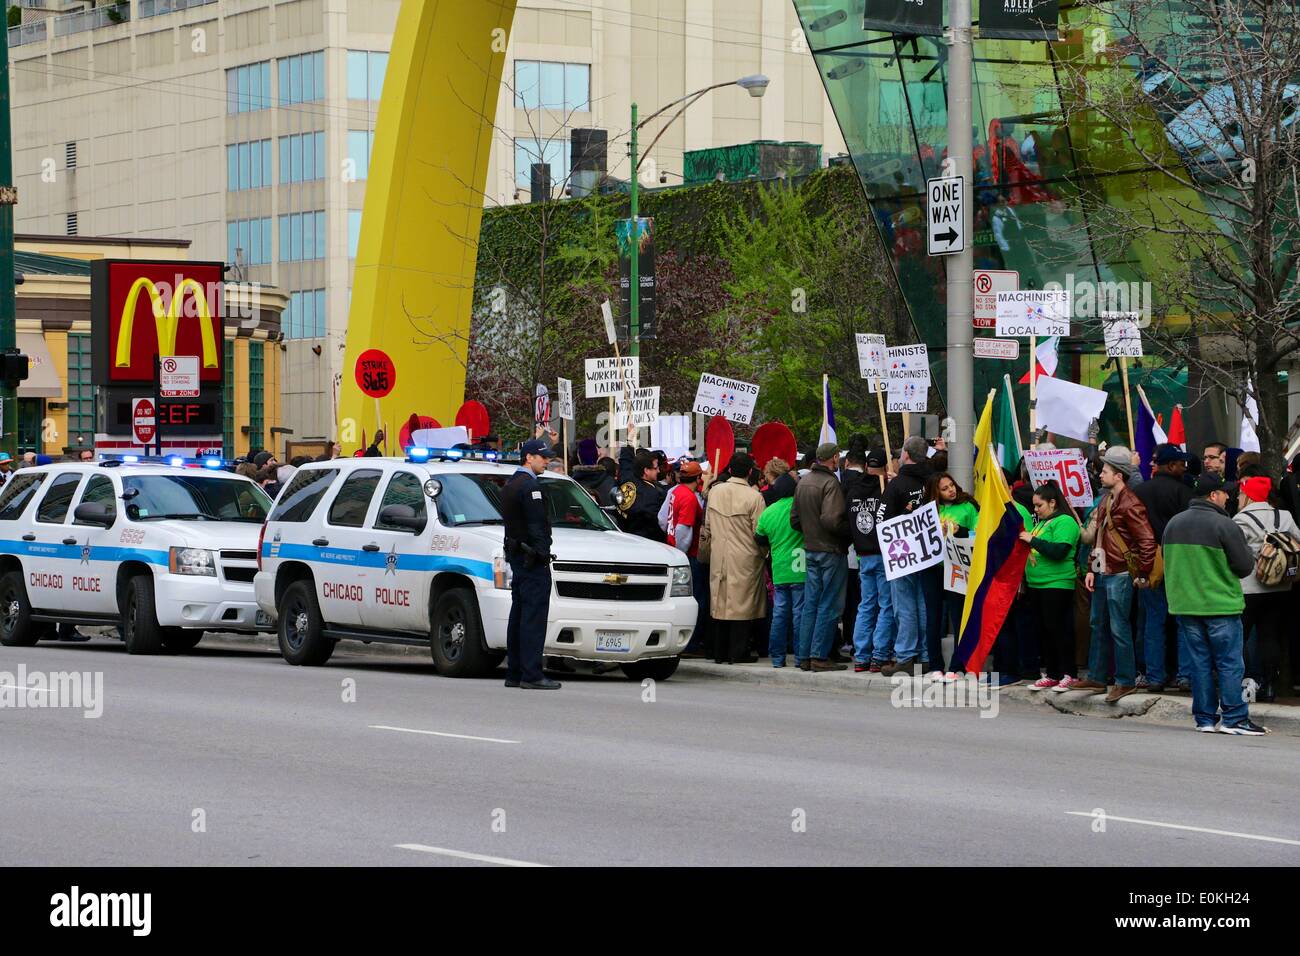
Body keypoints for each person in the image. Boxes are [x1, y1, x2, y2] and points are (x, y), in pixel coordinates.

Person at [1163, 473, 1265, 733]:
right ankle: (1234, 718)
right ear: (1213, 495)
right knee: (1230, 663)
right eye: (1224, 492)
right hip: (1220, 604)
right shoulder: (1225, 524)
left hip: (1186, 605)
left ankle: (1205, 719)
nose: (1228, 496)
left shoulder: (1173, 524)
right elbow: (1244, 567)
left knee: (1200, 663)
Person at [1075, 445, 1156, 703]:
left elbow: (1146, 541)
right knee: (1098, 624)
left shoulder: (1130, 503)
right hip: (1104, 571)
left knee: (1118, 627)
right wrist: (1091, 568)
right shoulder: (1109, 499)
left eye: (1106, 470)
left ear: (1119, 475)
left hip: (1120, 573)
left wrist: (1142, 572)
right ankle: (1098, 677)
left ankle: (1124, 680)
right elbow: (1098, 535)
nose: (1100, 474)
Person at [1132, 443, 1195, 692]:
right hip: (1180, 562)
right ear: (1171, 465)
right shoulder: (1185, 492)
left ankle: (1155, 675)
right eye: (1181, 464)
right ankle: (1185, 675)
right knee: (1184, 621)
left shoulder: (1140, 491)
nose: (1184, 467)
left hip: (1149, 563)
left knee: (1153, 622)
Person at [1234, 475, 1300, 703]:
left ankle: (1243, 682)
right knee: (1269, 635)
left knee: (1239, 636)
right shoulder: (1285, 515)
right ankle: (1269, 685)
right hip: (1280, 586)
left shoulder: (1241, 519)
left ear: (1249, 496)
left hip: (1249, 587)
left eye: (1242, 494)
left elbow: (1235, 553)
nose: (1239, 497)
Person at [500, 438, 560, 690]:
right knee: (533, 618)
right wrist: (543, 554)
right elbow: (536, 526)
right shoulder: (530, 487)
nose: (547, 460)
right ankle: (532, 674)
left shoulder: (510, 484)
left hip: (517, 556)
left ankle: (514, 672)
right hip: (531, 559)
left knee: (519, 615)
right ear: (529, 458)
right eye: (542, 457)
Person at [699, 452, 766, 665]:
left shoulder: (715, 492)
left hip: (719, 554)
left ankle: (719, 651)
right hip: (746, 556)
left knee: (719, 602)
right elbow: (760, 531)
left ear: (729, 470)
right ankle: (738, 652)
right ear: (749, 472)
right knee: (743, 604)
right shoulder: (754, 497)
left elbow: (707, 525)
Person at [790, 441, 850, 672]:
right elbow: (831, 519)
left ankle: (804, 656)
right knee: (830, 605)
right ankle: (818, 656)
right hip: (830, 550)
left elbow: (794, 520)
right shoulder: (830, 483)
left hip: (811, 549)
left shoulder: (803, 482)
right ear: (834, 458)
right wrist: (848, 535)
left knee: (811, 604)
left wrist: (810, 532)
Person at [1020, 482, 1082, 691]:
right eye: (1034, 506)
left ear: (1053, 502)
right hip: (1038, 584)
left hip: (1056, 584)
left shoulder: (1065, 522)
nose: (1035, 510)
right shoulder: (1043, 523)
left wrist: (1032, 540)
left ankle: (1069, 673)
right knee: (1045, 630)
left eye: (1039, 506)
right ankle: (1053, 673)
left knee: (1059, 630)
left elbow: (1059, 552)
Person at [879, 436, 932, 676]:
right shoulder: (934, 480)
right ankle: (926, 656)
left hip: (902, 555)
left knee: (905, 605)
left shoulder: (897, 485)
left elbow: (881, 520)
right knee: (923, 602)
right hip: (929, 552)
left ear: (907, 456)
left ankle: (906, 656)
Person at [755, 459, 804, 668]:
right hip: (801, 569)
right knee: (800, 615)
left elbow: (759, 538)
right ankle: (801, 657)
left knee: (779, 614)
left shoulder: (768, 512)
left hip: (779, 570)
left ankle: (777, 657)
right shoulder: (800, 507)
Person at [929, 471, 978, 678]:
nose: (951, 490)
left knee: (959, 617)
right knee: (932, 617)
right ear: (936, 493)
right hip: (933, 569)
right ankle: (934, 665)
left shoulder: (968, 506)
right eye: (944, 488)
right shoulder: (929, 510)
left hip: (958, 569)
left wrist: (961, 530)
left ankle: (958, 665)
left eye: (952, 485)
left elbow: (980, 534)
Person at [665, 461, 710, 657]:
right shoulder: (690, 498)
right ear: (698, 478)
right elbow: (684, 529)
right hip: (688, 556)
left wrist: (671, 539)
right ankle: (691, 644)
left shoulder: (674, 492)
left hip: (674, 550)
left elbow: (662, 518)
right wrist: (680, 552)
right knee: (696, 599)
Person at [615, 449, 667, 542]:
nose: (658, 471)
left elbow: (625, 461)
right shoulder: (655, 495)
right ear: (646, 470)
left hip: (622, 537)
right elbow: (657, 525)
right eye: (655, 468)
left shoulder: (626, 478)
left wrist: (628, 442)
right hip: (643, 543)